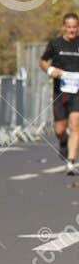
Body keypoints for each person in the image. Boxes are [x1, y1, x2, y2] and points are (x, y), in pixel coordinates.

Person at [40, 12, 79, 172]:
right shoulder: (55, 44)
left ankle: (71, 161)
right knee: (59, 129)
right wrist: (50, 70)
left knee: (75, 124)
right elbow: (43, 61)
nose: (72, 30)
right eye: (69, 27)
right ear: (64, 27)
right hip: (60, 91)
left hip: (77, 92)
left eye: (74, 27)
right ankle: (63, 141)